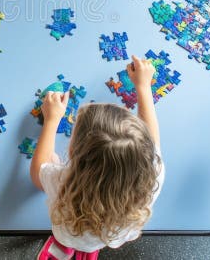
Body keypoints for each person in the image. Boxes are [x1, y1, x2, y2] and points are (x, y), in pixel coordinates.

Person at [29, 56, 163, 260]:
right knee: (92, 240)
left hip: (68, 233)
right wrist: (144, 87)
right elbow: (151, 142)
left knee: (53, 160)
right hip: (107, 235)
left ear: (73, 152)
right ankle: (89, 251)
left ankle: (65, 249)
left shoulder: (64, 182)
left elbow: (38, 172)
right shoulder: (152, 178)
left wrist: (51, 121)